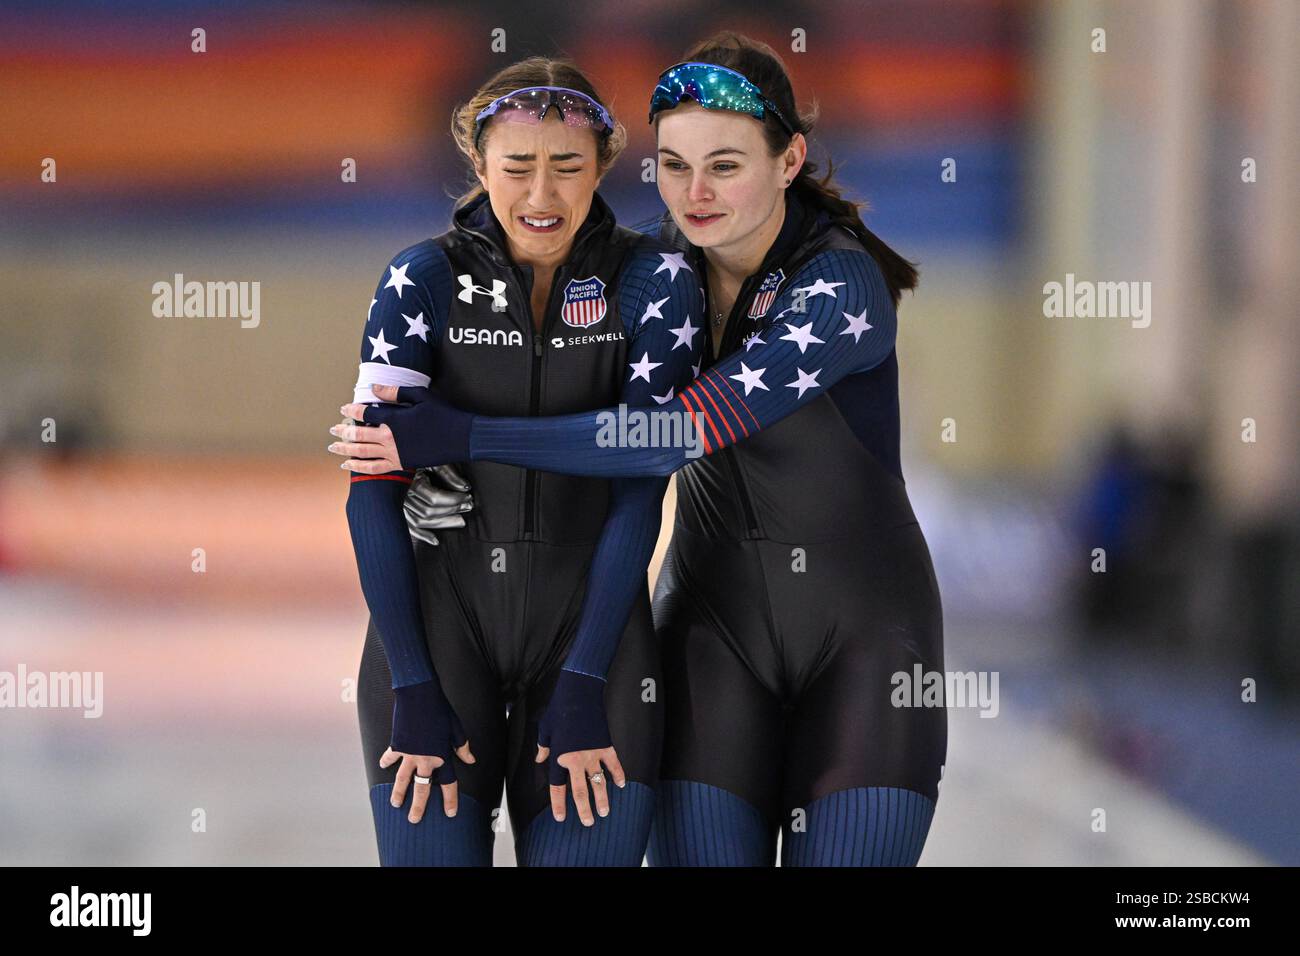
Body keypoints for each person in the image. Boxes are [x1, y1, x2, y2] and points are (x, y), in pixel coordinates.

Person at [336, 33, 947, 867]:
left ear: (789, 159)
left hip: (867, 644)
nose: (695, 193)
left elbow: (670, 435)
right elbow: (533, 393)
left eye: (725, 166)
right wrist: (427, 469)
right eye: (672, 164)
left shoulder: (840, 289)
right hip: (708, 634)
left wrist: (464, 436)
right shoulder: (658, 268)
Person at [335, 57, 702, 866]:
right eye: (518, 167)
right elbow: (369, 492)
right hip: (436, 636)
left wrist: (585, 682)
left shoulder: (655, 283)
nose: (542, 196)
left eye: (568, 167)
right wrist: (411, 686)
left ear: (604, 163)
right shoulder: (418, 280)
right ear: (478, 164)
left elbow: (639, 494)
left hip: (596, 641)